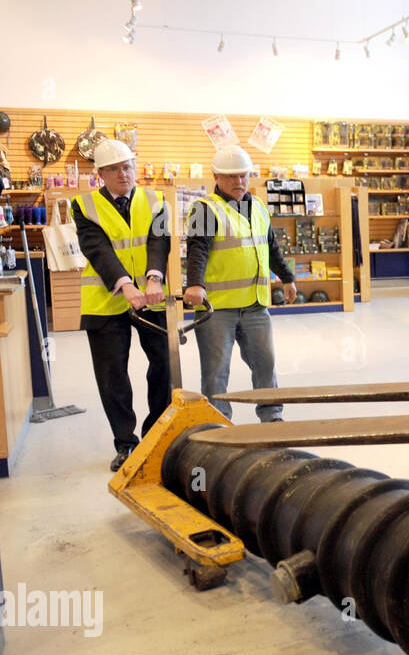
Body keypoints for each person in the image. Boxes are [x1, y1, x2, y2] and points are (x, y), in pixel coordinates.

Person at [74, 139, 171, 471]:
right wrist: (125, 284)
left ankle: (157, 434)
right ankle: (126, 443)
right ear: (100, 173)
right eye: (114, 169)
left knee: (165, 365)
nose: (123, 174)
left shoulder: (154, 199)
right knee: (112, 374)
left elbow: (159, 240)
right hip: (106, 301)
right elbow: (97, 248)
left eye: (127, 166)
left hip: (152, 296)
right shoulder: (84, 206)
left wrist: (154, 277)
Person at [183, 146, 296, 422]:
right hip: (217, 309)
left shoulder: (257, 206)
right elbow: (197, 250)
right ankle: (217, 422)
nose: (239, 182)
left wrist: (288, 277)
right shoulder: (204, 208)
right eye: (231, 177)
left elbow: (270, 247)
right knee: (216, 371)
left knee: (265, 365)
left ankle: (272, 417)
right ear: (216, 177)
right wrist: (195, 284)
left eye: (243, 176)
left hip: (255, 305)